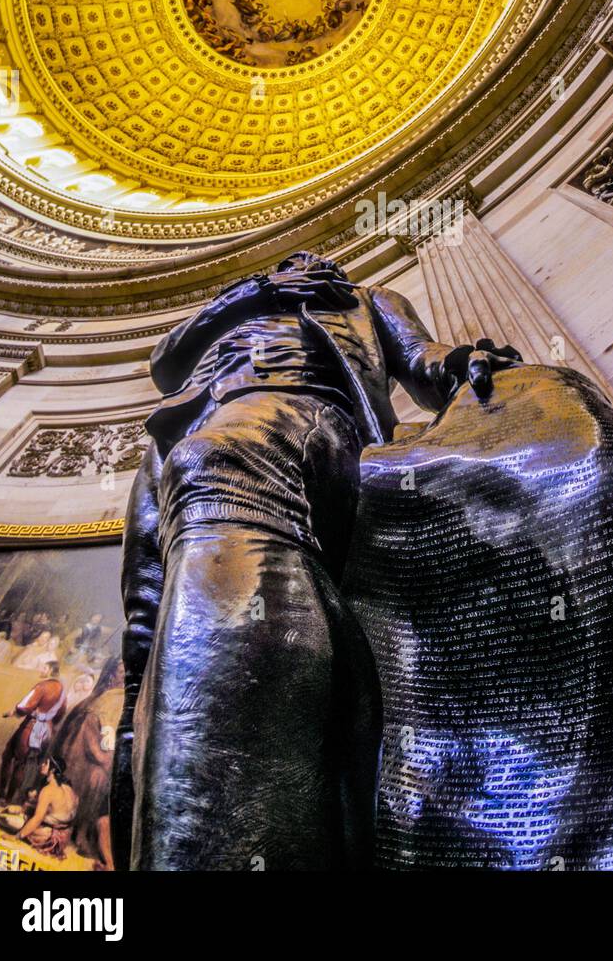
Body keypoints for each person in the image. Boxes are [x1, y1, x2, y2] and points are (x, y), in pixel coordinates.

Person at [116, 250, 519, 871]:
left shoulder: (366, 299)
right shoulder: (234, 314)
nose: (306, 261)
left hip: (297, 418)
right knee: (144, 641)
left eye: (315, 257)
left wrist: (466, 361)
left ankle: (217, 850)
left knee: (216, 460)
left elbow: (421, 360)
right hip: (183, 441)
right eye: (291, 260)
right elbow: (166, 361)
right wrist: (256, 289)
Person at [54, 658, 123, 869]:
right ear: (112, 673)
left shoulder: (122, 698)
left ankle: (84, 834)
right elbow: (90, 730)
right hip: (80, 753)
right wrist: (104, 758)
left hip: (97, 758)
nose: (123, 674)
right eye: (120, 670)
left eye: (126, 670)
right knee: (93, 779)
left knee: (99, 781)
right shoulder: (102, 697)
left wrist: (107, 759)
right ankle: (76, 830)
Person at [0, 660, 66, 804]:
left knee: (10, 757)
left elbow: (24, 706)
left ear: (49, 670)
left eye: (43, 667)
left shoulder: (42, 686)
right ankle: (9, 798)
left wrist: (13, 711)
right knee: (24, 763)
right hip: (46, 731)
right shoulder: (62, 690)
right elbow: (60, 713)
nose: (41, 669)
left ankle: (2, 796)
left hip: (31, 728)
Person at [17, 754, 77, 859]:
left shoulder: (48, 790)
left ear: (52, 770)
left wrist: (16, 837)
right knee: (26, 809)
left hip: (48, 837)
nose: (42, 765)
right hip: (65, 838)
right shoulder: (69, 789)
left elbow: (37, 819)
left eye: (46, 763)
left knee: (17, 822)